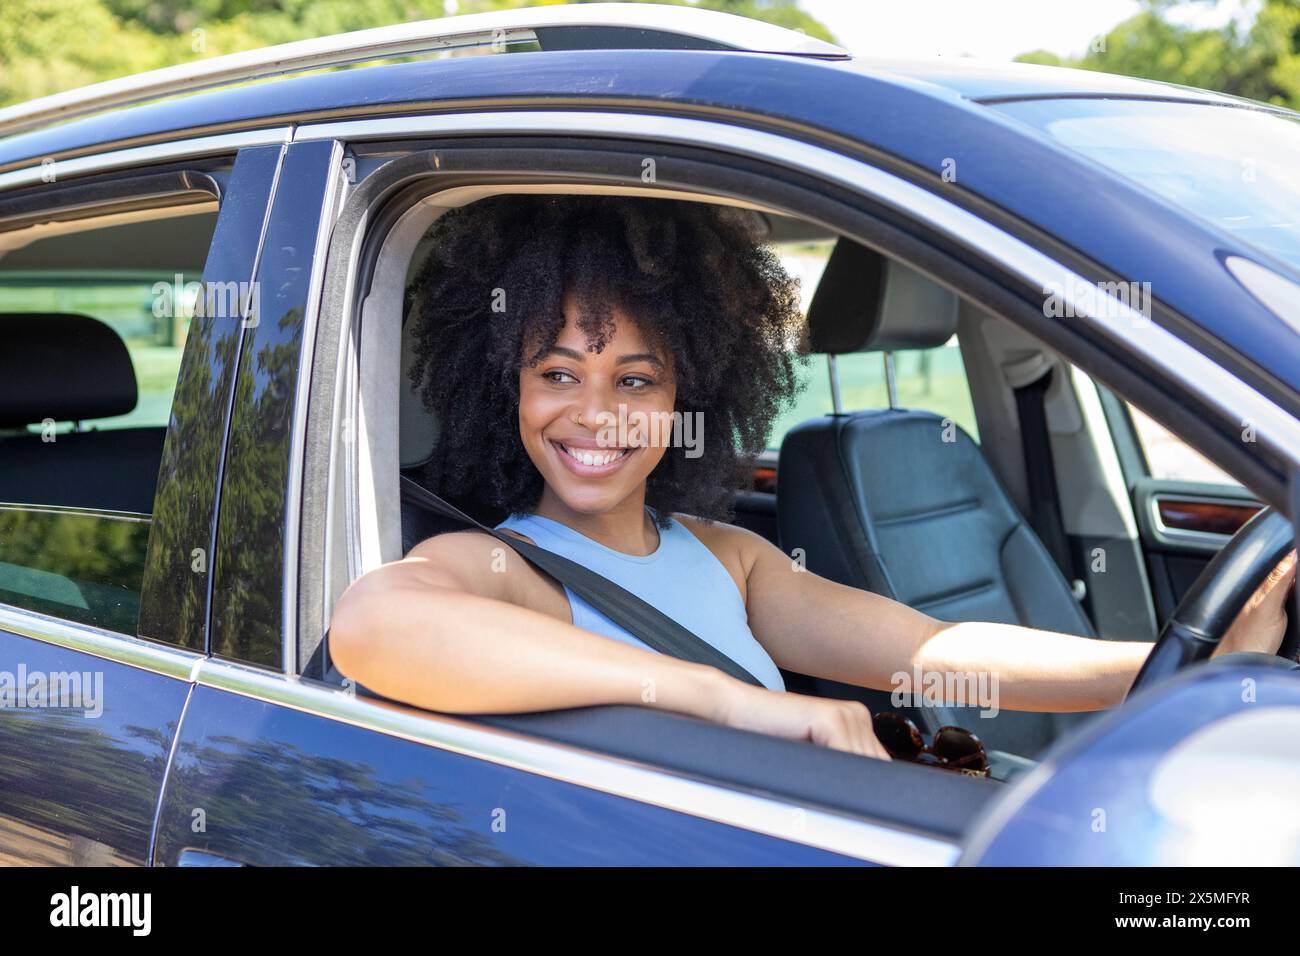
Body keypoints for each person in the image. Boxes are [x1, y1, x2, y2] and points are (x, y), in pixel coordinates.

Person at [329, 195, 1296, 762]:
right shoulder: (499, 569)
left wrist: (1172, 666)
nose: (596, 414)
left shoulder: (732, 558)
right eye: (556, 375)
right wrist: (731, 700)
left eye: (635, 377)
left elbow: (936, 651)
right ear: (507, 388)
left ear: (686, 392)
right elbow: (373, 627)